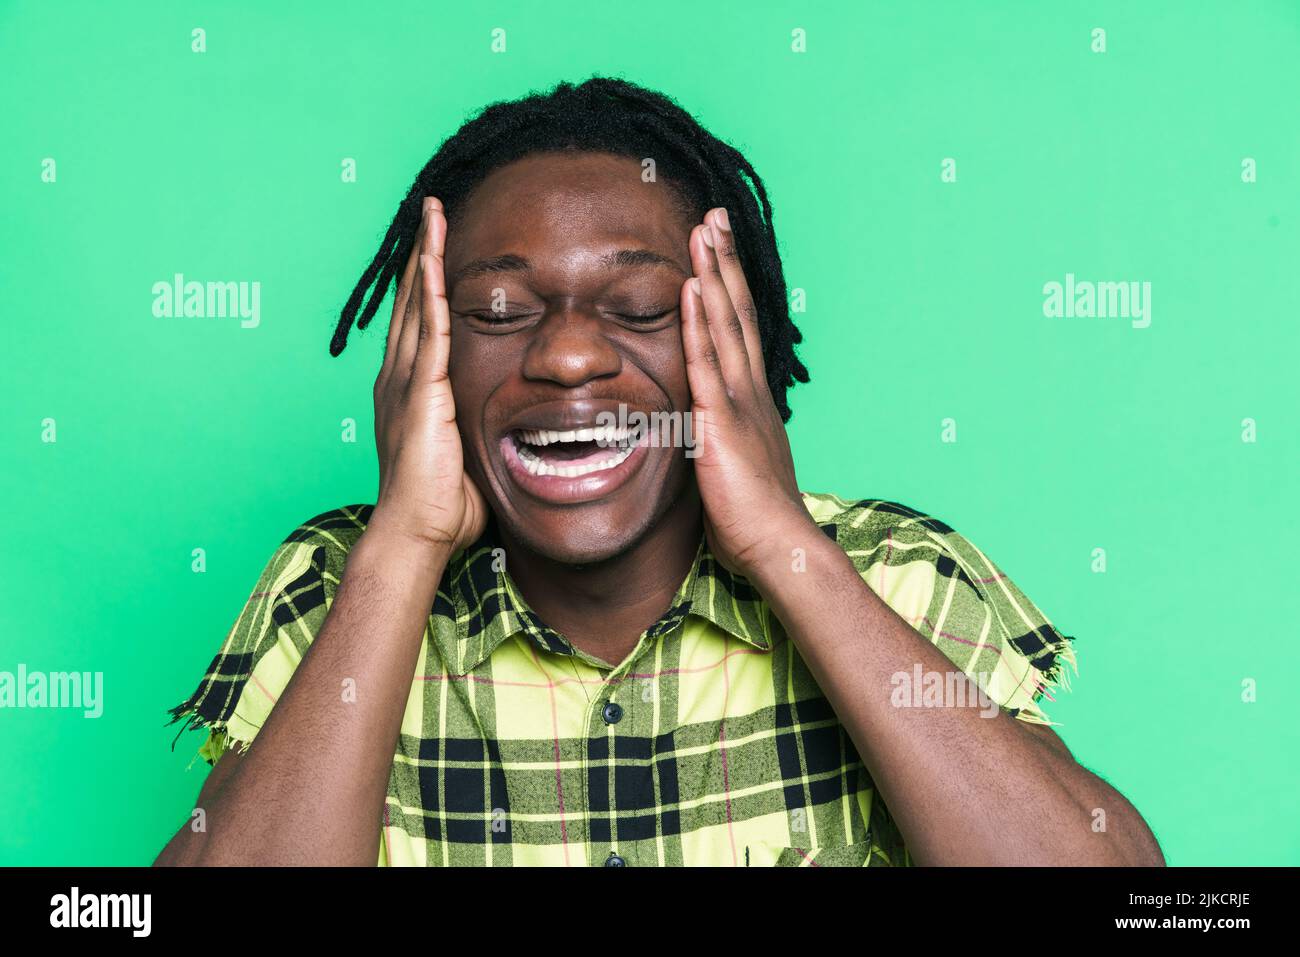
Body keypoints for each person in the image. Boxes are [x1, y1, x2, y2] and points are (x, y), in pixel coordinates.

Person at [156, 77, 1163, 867]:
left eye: (638, 307)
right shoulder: (337, 583)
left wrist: (781, 546)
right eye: (500, 313)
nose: (566, 358)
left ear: (738, 342)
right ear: (426, 356)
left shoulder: (894, 569)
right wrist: (405, 549)